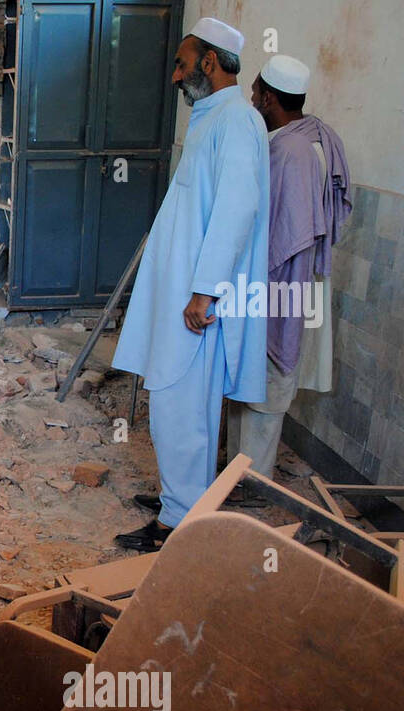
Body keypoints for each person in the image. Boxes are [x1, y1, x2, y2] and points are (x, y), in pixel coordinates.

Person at [110, 18, 270, 551]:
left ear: (208, 61)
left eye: (182, 64)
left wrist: (205, 291)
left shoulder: (238, 121)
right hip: (184, 294)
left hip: (198, 301)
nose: (175, 75)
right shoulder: (211, 119)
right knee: (179, 403)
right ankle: (184, 497)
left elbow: (235, 211)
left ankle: (179, 524)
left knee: (181, 405)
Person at [227, 54, 351, 477]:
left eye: (256, 91)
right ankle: (234, 478)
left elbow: (284, 237)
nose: (252, 96)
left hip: (284, 283)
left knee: (265, 385)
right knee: (255, 383)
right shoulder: (311, 135)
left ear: (268, 99)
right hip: (293, 282)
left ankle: (250, 484)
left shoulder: (291, 150)